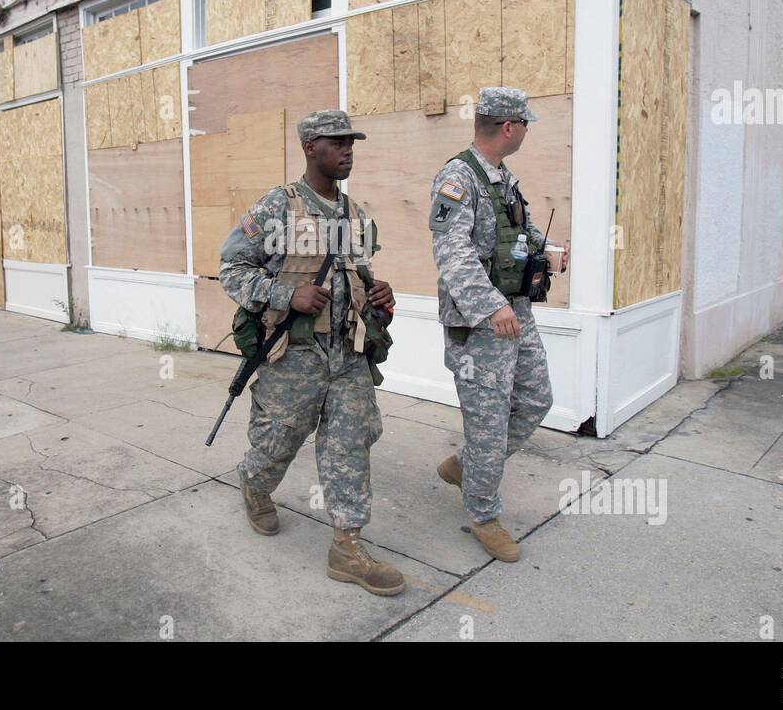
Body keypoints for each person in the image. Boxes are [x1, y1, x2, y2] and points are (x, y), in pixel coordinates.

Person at [218, 109, 403, 595]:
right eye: (337, 143)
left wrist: (379, 292)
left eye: (351, 143)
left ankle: (348, 545)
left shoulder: (355, 214)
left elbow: (356, 276)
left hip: (347, 355)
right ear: (310, 147)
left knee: (350, 445)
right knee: (276, 443)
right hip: (292, 356)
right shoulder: (277, 207)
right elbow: (231, 271)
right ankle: (254, 485)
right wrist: (286, 294)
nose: (347, 151)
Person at [428, 87, 569, 562]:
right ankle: (484, 515)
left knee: (535, 398)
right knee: (488, 422)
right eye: (525, 123)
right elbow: (453, 254)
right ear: (509, 127)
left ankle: (466, 467)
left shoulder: (502, 177)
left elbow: (515, 231)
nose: (527, 131)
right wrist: (491, 307)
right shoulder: (457, 178)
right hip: (482, 321)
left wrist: (546, 248)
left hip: (517, 311)